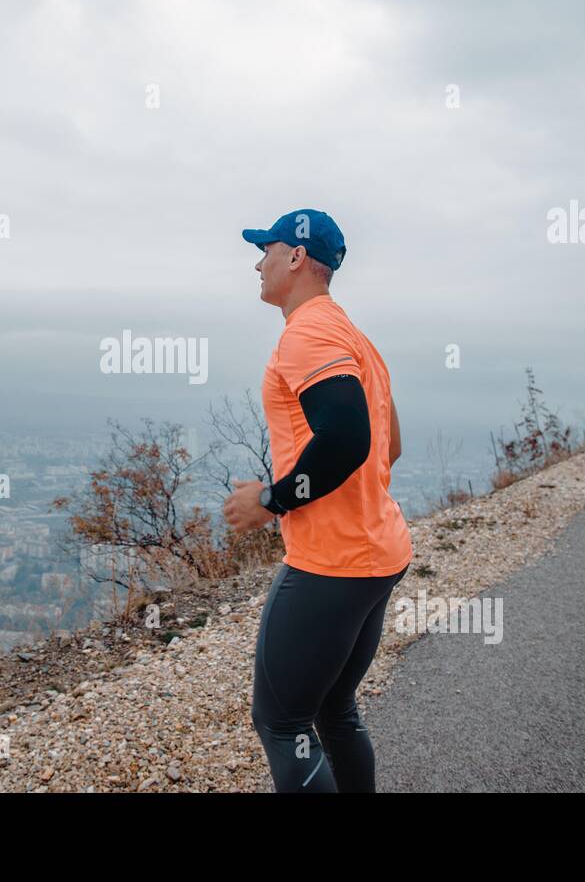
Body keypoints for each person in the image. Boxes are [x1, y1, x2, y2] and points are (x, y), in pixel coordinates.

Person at [223, 208, 413, 792]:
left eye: (266, 251)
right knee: (334, 710)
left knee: (282, 723)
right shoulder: (355, 337)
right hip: (380, 551)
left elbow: (349, 438)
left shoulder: (306, 333)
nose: (258, 264)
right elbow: (390, 445)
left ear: (297, 257)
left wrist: (271, 499)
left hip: (332, 560)